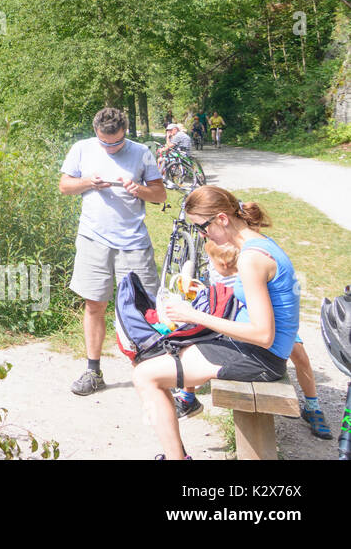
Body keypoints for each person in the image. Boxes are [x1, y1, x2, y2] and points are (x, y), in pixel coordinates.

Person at [132, 186, 301, 459]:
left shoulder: (251, 258)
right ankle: (184, 414)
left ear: (222, 219)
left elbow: (263, 334)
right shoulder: (259, 244)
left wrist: (193, 315)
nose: (202, 235)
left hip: (261, 357)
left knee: (145, 375)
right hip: (257, 350)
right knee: (160, 354)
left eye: (202, 227)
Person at [171, 237, 332, 438]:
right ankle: (188, 396)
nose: (209, 265)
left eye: (211, 261)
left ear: (224, 263)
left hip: (271, 325)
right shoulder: (220, 268)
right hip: (241, 324)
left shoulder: (250, 267)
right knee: (199, 337)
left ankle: (312, 405)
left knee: (299, 355)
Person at [60, 107, 167, 395]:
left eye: (116, 142)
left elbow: (160, 194)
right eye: (105, 143)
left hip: (133, 242)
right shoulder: (82, 149)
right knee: (94, 304)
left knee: (144, 309)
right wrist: (87, 183)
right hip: (93, 239)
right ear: (96, 133)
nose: (111, 147)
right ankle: (93, 372)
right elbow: (64, 186)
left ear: (125, 132)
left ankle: (154, 374)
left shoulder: (142, 152)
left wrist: (139, 190)